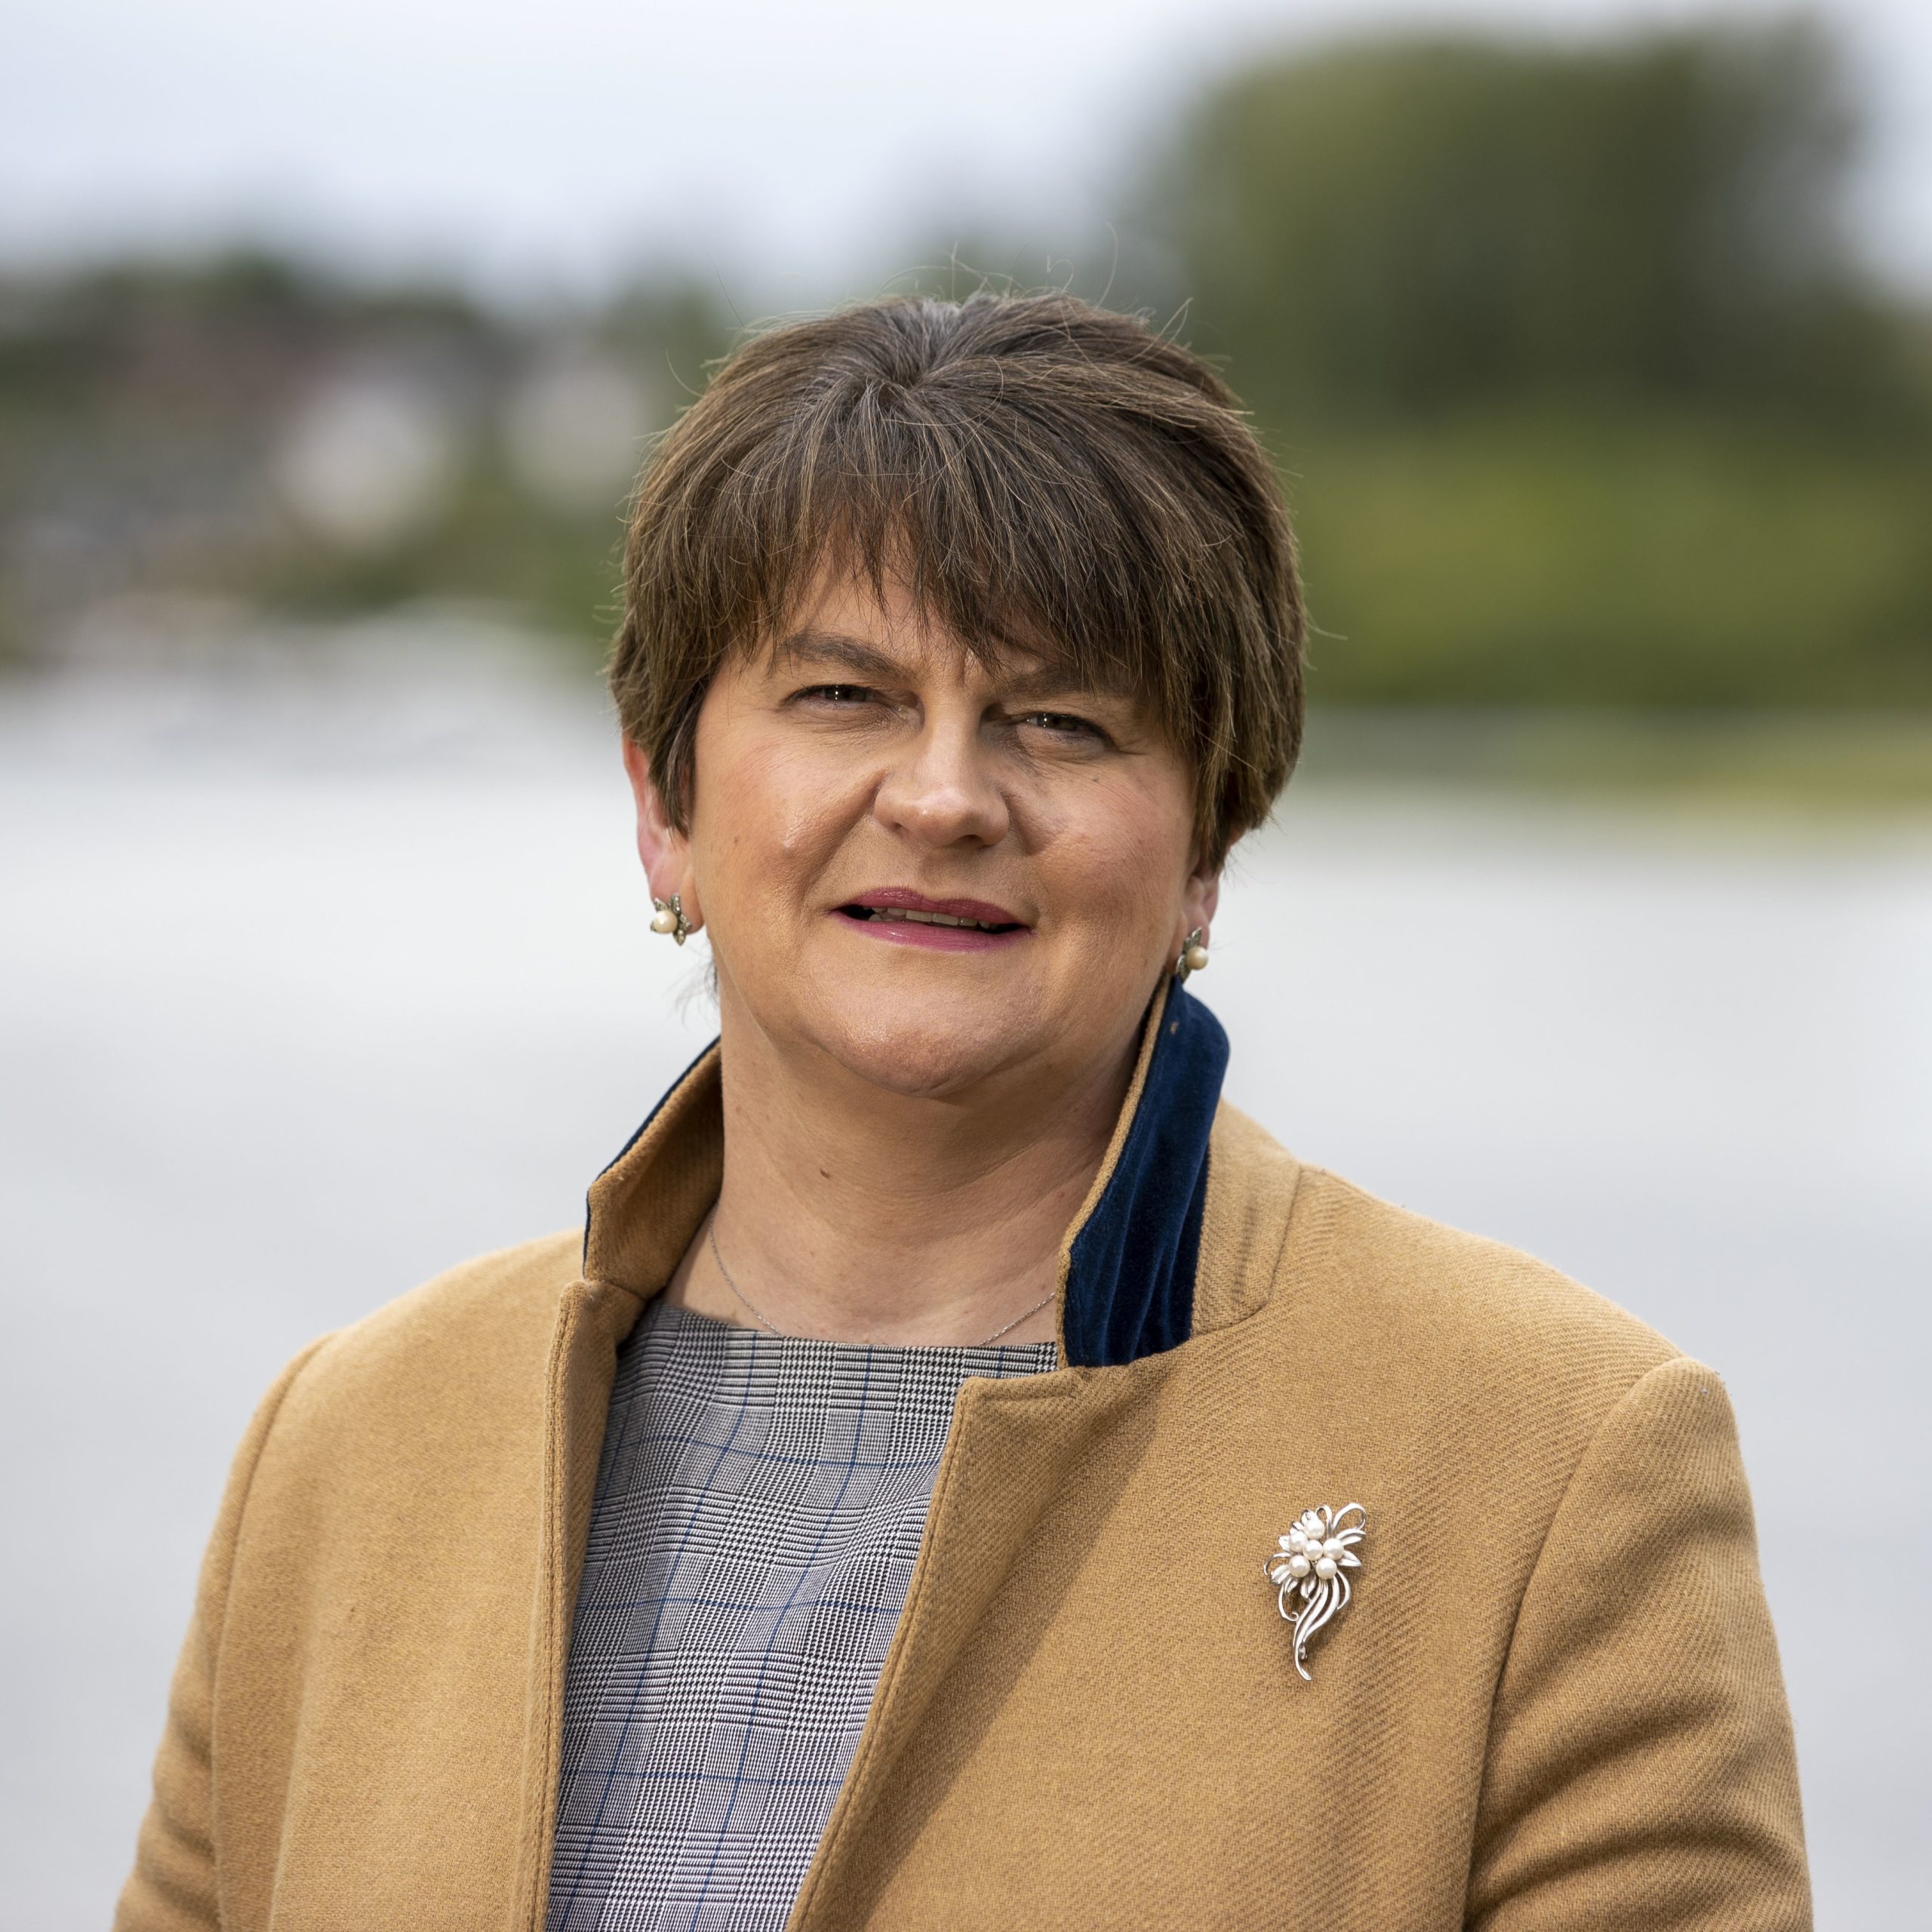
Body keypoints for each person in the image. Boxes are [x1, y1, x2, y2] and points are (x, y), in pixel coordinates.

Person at [115, 292, 1810, 1931]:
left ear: (1206, 848)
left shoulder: (1551, 1463)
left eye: (1059, 721)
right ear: (664, 802)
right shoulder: (345, 1446)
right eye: (842, 695)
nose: (940, 795)